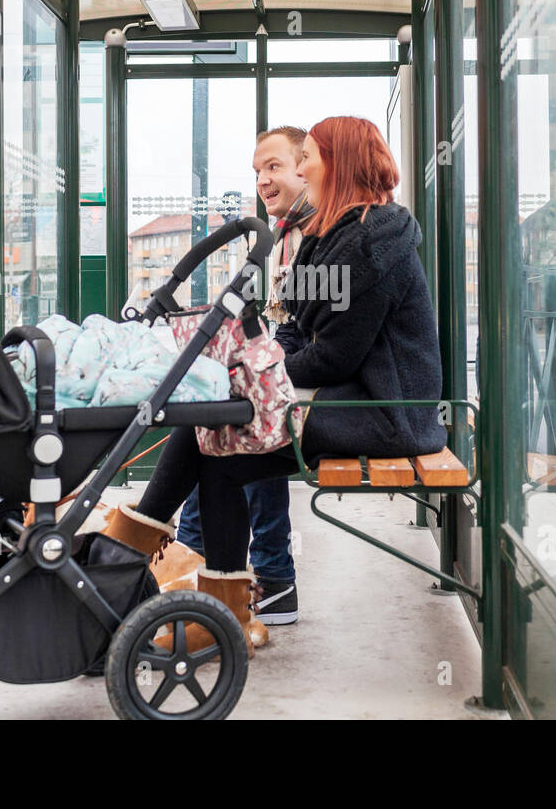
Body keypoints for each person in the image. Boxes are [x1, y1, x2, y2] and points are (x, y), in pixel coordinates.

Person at [102, 116, 446, 653]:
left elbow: (333, 357)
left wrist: (251, 375)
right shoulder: (324, 237)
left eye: (308, 157)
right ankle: (221, 611)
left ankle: (122, 562)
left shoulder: (371, 243)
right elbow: (293, 329)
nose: (303, 168)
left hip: (388, 412)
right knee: (213, 445)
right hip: (348, 398)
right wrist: (249, 363)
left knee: (217, 431)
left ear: (340, 164)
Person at [176, 126, 314, 626]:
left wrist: (257, 373)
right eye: (258, 170)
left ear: (306, 166)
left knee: (236, 421)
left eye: (274, 166)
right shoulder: (285, 235)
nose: (263, 179)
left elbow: (317, 338)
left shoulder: (314, 236)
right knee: (225, 415)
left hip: (334, 392)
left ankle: (190, 562)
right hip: (305, 375)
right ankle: (267, 580)